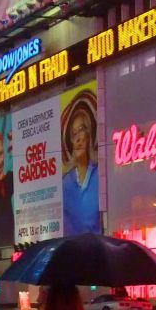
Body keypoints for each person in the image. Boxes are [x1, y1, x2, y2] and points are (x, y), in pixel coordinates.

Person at [61, 97, 100, 234]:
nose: (78, 138)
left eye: (81, 130)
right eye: (74, 134)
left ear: (89, 135)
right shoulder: (65, 183)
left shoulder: (100, 176)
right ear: (70, 142)